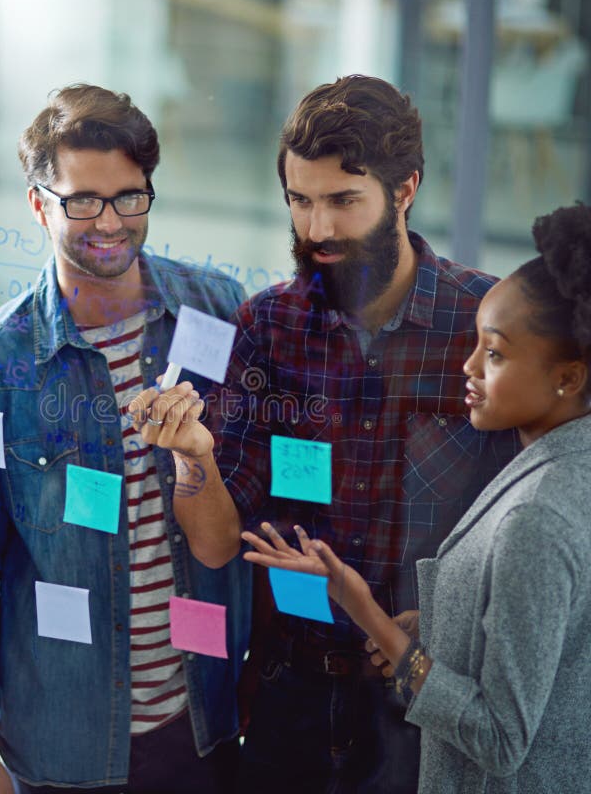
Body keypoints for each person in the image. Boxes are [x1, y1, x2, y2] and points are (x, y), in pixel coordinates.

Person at [129, 74, 518, 793]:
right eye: (300, 201)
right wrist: (195, 460)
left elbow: (539, 518)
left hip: (424, 695)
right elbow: (215, 543)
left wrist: (454, 617)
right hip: (290, 697)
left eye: (343, 201)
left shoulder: (485, 324)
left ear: (405, 189)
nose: (317, 230)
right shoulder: (267, 326)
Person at [0, 83, 250, 793]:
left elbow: (246, 523)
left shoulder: (220, 312)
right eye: (82, 200)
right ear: (37, 203)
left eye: (129, 196)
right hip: (62, 745)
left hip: (200, 726)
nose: (108, 221)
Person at [242, 202, 591, 793]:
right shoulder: (568, 467)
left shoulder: (537, 513)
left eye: (496, 353)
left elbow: (500, 738)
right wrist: (442, 625)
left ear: (568, 377)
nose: (470, 366)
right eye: (477, 344)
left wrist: (364, 610)